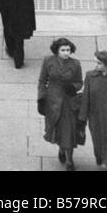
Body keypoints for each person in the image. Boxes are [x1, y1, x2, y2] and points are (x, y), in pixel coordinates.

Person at [38, 38, 84, 170]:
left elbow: (80, 82)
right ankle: (61, 149)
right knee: (57, 129)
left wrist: (74, 87)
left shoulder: (75, 64)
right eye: (63, 50)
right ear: (57, 50)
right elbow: (42, 81)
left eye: (68, 50)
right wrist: (41, 98)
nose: (66, 53)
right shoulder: (48, 61)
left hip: (69, 101)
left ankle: (70, 160)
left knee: (69, 130)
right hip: (52, 101)